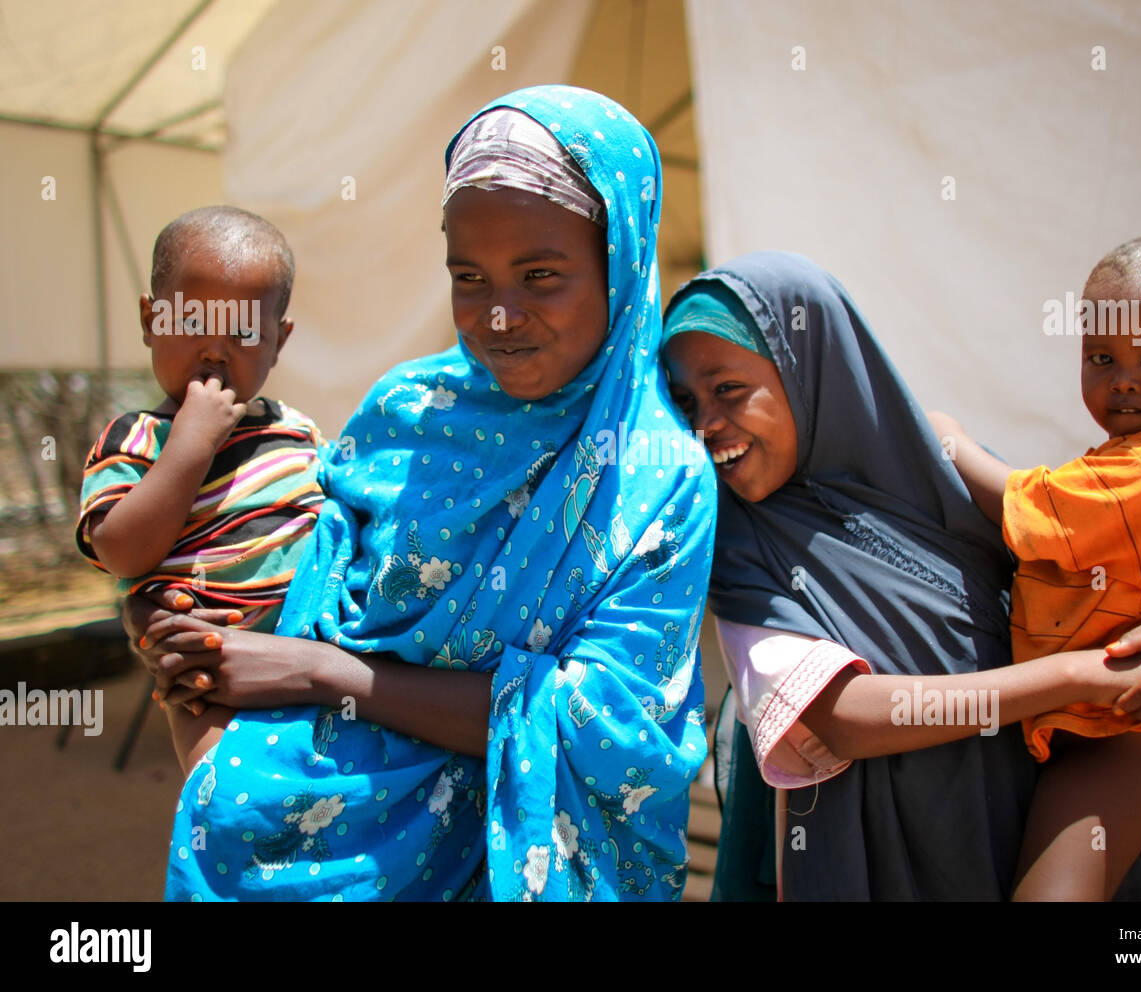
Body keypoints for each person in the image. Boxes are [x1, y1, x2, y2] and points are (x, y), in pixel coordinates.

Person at [123, 85, 716, 901]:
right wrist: (175, 630)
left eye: (541, 276)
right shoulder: (408, 412)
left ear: (622, 262)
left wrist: (320, 673)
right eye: (469, 277)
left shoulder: (661, 478)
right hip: (291, 833)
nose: (500, 315)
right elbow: (293, 580)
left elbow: (607, 728)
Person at [660, 251, 1141, 900]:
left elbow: (1091, 576)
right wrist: (1069, 678)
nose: (705, 423)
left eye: (728, 389)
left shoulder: (941, 475)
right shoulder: (742, 545)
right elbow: (840, 717)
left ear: (809, 367)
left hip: (1047, 829)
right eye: (684, 401)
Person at [929, 233, 1141, 900]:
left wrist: (950, 441)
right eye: (1101, 357)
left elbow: (1026, 510)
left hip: (1122, 739)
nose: (1123, 378)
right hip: (1087, 728)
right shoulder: (1120, 458)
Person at [77, 206, 321, 773]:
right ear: (149, 320)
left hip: (309, 658)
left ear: (279, 341)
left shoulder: (298, 432)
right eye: (191, 324)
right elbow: (121, 551)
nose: (214, 352)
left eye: (242, 333)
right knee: (225, 797)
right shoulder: (135, 441)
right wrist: (189, 445)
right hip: (202, 672)